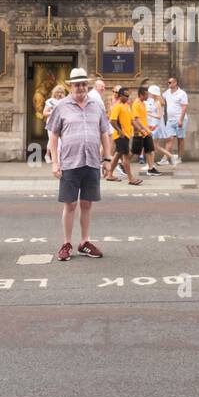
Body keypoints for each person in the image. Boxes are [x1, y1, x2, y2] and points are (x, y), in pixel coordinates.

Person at [46, 67, 113, 261]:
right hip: (69, 162)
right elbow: (54, 135)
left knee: (86, 204)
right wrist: (54, 163)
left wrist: (107, 158)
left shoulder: (96, 106)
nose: (81, 87)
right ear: (70, 86)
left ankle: (84, 242)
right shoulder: (61, 106)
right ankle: (67, 243)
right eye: (77, 84)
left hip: (91, 161)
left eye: (84, 84)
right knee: (70, 205)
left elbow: (104, 133)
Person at [107, 86, 142, 185]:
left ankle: (109, 174)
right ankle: (131, 178)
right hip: (120, 136)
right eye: (125, 95)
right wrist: (119, 131)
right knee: (126, 156)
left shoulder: (126, 106)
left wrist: (140, 130)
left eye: (128, 95)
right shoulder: (117, 106)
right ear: (120, 95)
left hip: (126, 135)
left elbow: (132, 120)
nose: (127, 97)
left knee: (118, 155)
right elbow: (112, 121)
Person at [132, 86, 161, 176]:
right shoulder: (136, 104)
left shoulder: (143, 103)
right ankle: (123, 164)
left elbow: (144, 118)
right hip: (140, 132)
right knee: (134, 152)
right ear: (141, 95)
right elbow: (137, 119)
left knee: (150, 150)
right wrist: (144, 129)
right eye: (146, 95)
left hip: (146, 131)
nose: (148, 96)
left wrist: (148, 129)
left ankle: (151, 168)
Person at [161, 75, 189, 165]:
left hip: (180, 119)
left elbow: (184, 107)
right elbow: (161, 99)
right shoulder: (167, 92)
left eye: (170, 82)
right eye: (168, 82)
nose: (168, 84)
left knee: (180, 139)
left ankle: (180, 158)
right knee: (169, 138)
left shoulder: (182, 93)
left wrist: (180, 120)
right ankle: (165, 158)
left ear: (175, 83)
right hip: (170, 120)